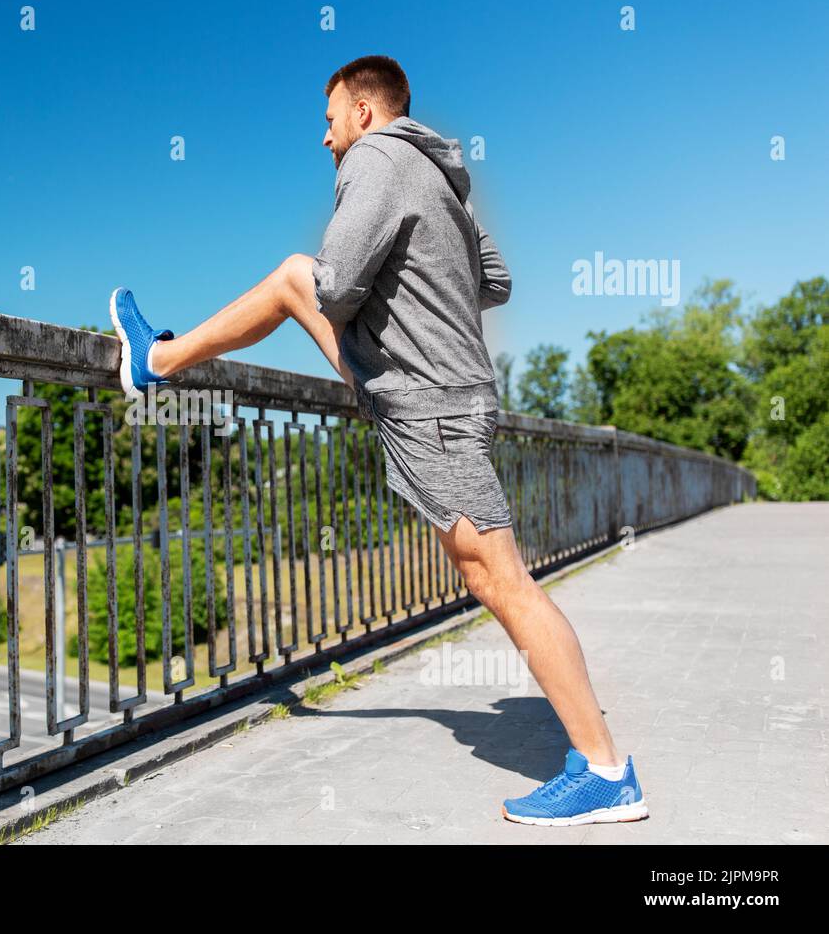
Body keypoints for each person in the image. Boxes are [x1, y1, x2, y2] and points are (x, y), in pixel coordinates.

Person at [108, 55, 647, 826]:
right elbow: (494, 282)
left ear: (362, 112)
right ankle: (157, 361)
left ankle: (605, 771)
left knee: (503, 581)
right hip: (436, 395)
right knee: (293, 277)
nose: (324, 140)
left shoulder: (377, 158)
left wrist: (400, 306)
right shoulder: (440, 176)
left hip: (430, 405)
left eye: (329, 121)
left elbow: (337, 285)